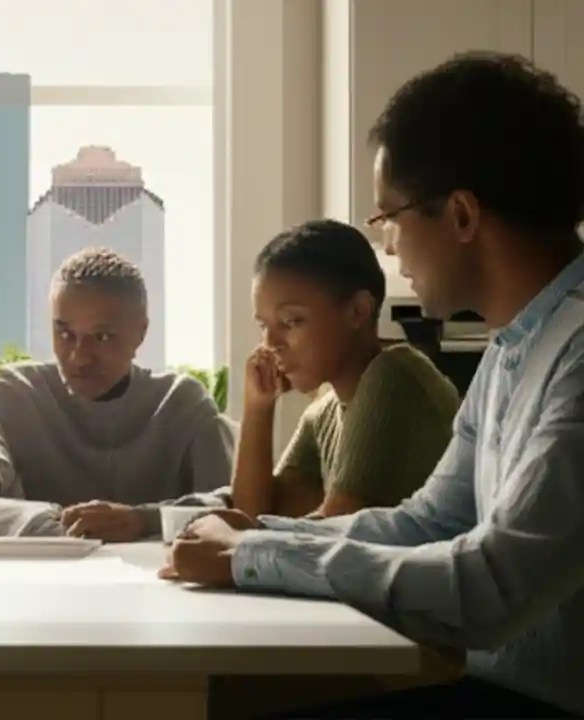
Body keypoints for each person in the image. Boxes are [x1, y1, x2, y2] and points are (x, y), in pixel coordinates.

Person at [164, 52, 584, 717]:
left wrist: (250, 556)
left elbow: (490, 585)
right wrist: (251, 541)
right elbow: (430, 521)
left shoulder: (576, 356)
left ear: (463, 216)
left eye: (389, 218)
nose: (388, 249)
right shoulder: (513, 350)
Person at [0, 247, 236, 541]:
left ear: (141, 333)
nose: (80, 358)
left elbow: (231, 508)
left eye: (102, 337)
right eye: (65, 333)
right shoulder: (10, 394)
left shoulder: (182, 403)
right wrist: (56, 523)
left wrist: (142, 520)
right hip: (36, 580)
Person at [234, 219, 459, 520]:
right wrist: (258, 408)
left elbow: (334, 531)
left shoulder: (396, 375)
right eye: (263, 326)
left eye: (291, 321)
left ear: (358, 311)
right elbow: (256, 515)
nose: (269, 343)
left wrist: (231, 541)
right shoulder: (324, 410)